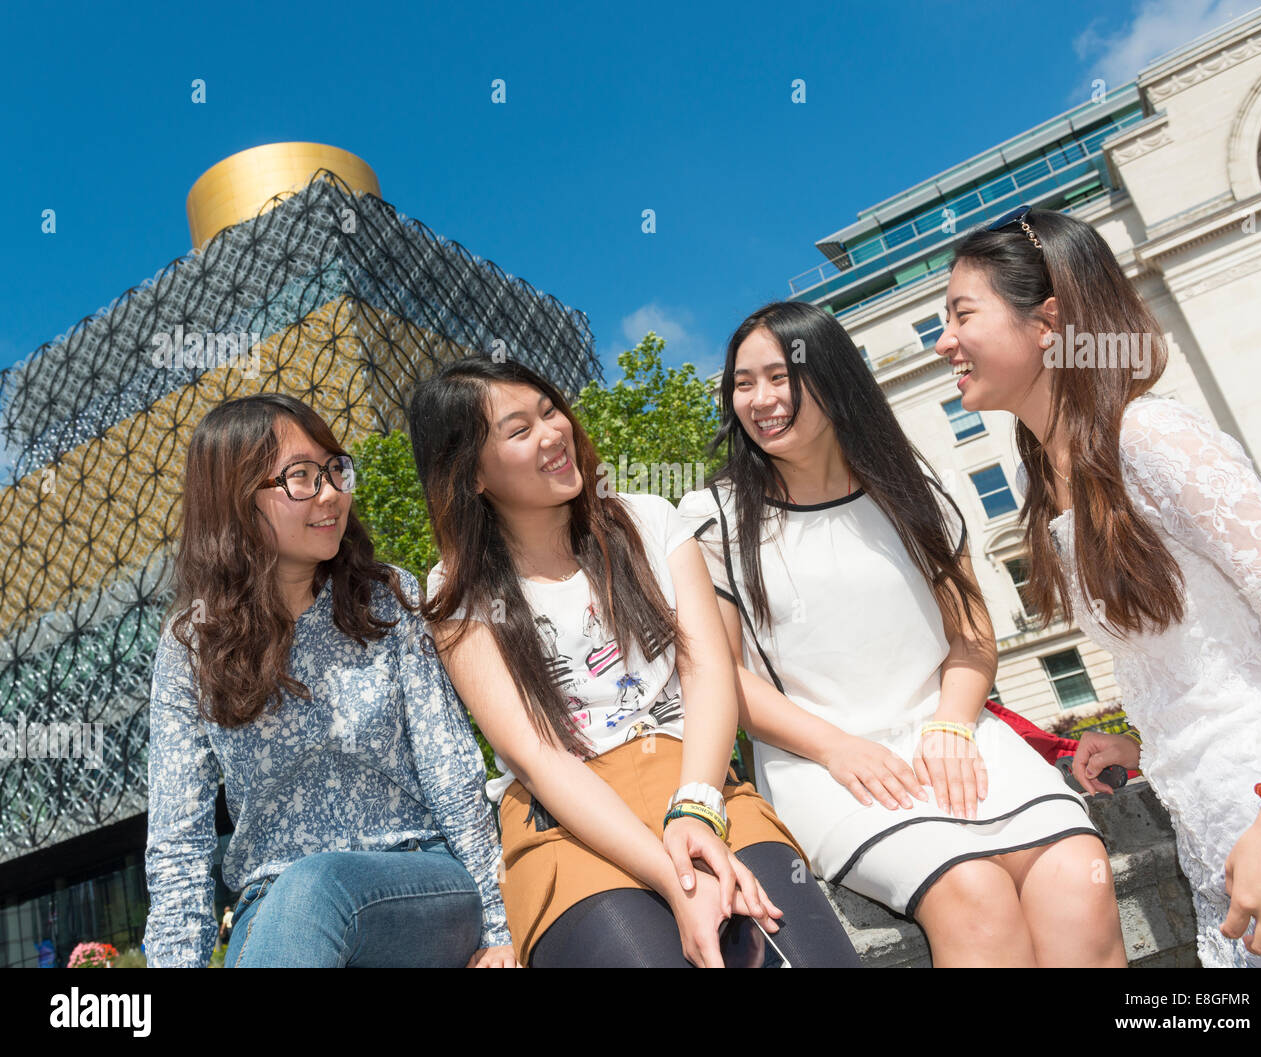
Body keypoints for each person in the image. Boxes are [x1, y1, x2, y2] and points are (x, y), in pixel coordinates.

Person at [676, 300, 1126, 968]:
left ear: (833, 378)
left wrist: (950, 722)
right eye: (743, 384)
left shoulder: (918, 491)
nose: (760, 399)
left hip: (959, 739)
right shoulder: (710, 516)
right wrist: (836, 748)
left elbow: (971, 635)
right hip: (825, 768)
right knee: (972, 890)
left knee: (1079, 876)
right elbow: (720, 676)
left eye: (780, 377)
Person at [935, 204, 1261, 967]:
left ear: (1048, 322)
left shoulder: (1151, 435)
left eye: (962, 314)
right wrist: (1140, 739)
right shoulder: (1055, 481)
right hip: (1218, 836)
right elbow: (1202, 655)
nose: (945, 343)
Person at [412, 357, 861, 968]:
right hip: (570, 823)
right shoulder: (456, 590)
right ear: (471, 476)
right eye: (519, 431)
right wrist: (677, 879)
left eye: (550, 412)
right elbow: (539, 759)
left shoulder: (649, 521)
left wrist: (698, 807)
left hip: (695, 779)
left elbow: (708, 673)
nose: (552, 435)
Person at [144, 393, 514, 968]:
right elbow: (180, 846)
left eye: (335, 469)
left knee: (316, 886)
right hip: (272, 910)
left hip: (420, 883)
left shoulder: (388, 598)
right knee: (300, 901)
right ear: (235, 504)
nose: (332, 493)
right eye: (301, 477)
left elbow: (451, 769)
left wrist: (498, 924)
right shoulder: (190, 646)